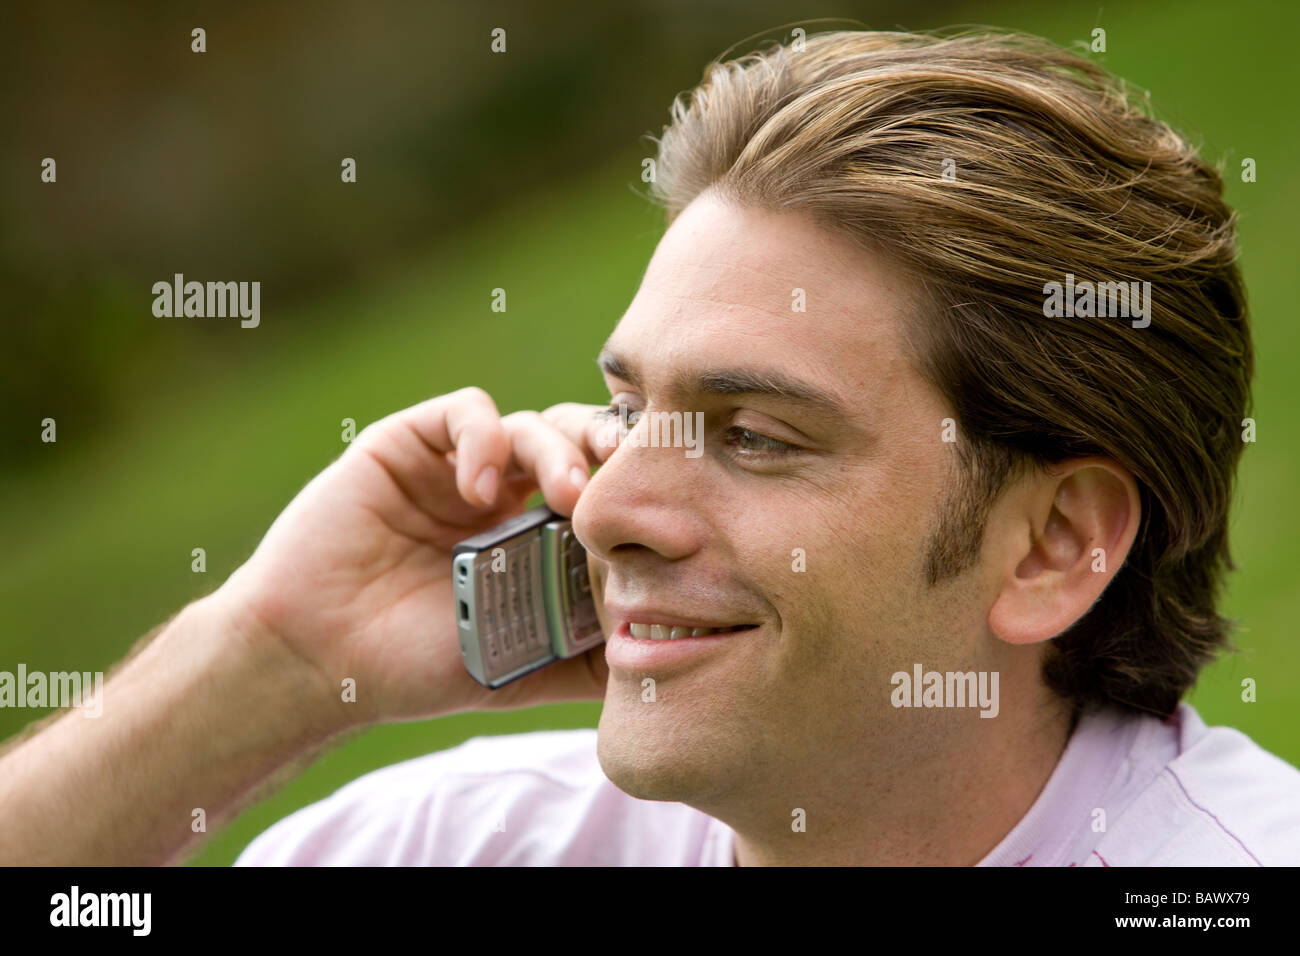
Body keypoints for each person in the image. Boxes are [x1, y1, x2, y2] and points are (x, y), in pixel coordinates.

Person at [2, 28, 1297, 867]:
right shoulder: (459, 846)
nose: (609, 503)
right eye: (628, 410)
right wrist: (267, 667)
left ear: (1054, 545)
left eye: (754, 435)